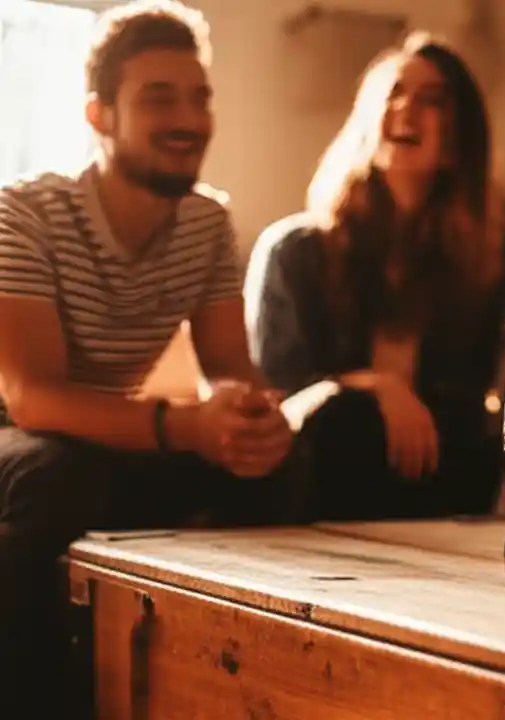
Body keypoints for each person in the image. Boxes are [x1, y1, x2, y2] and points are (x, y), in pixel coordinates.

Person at [0, 0, 293, 708]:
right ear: (99, 115)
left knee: (277, 469)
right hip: (17, 439)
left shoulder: (207, 222)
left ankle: (251, 687)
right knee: (58, 473)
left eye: (200, 97)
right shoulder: (23, 214)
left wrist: (253, 419)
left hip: (107, 438)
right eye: (159, 98)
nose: (188, 119)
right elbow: (31, 399)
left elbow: (229, 365)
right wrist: (187, 427)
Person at [246, 33, 505, 521]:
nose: (406, 107)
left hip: (425, 467)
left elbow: (468, 391)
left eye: (431, 100)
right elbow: (284, 390)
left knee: (476, 434)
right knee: (343, 419)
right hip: (317, 460)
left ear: (458, 141)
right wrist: (381, 386)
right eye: (393, 93)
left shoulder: (481, 260)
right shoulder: (295, 251)